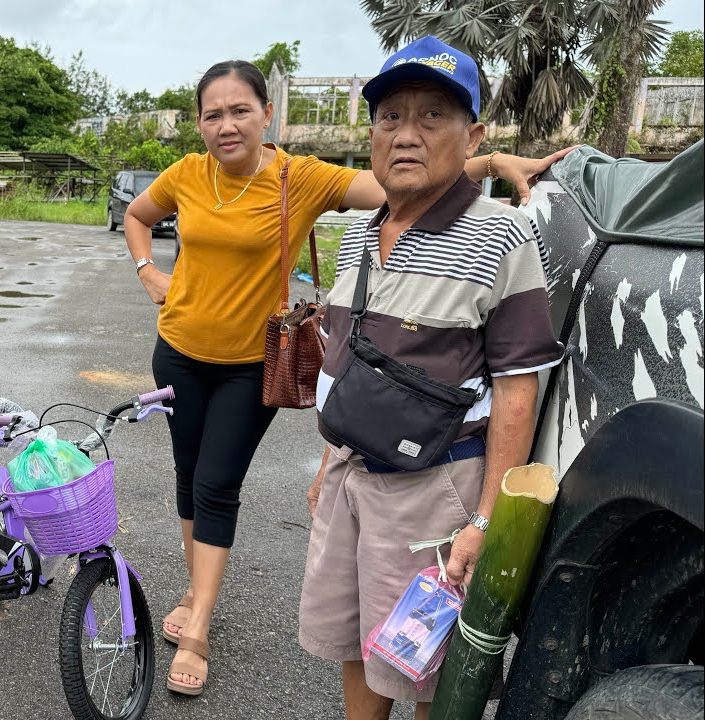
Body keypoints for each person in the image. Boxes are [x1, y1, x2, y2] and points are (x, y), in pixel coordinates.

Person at [122, 59, 570, 696]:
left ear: (266, 114)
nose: (226, 125)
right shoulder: (186, 175)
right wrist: (149, 273)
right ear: (198, 123)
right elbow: (139, 217)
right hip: (179, 353)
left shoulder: (298, 176)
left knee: (218, 483)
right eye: (212, 114)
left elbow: (401, 179)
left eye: (239, 110)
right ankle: (198, 595)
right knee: (189, 479)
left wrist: (495, 164)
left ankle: (197, 627)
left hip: (254, 365)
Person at [297, 37, 563, 719]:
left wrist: (484, 520)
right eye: (391, 117)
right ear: (372, 133)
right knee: (355, 638)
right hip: (353, 473)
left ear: (473, 135)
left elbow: (518, 387)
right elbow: (344, 362)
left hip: (435, 491)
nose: (406, 135)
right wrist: (329, 462)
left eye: (432, 116)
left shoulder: (501, 235)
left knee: (423, 665)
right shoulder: (358, 231)